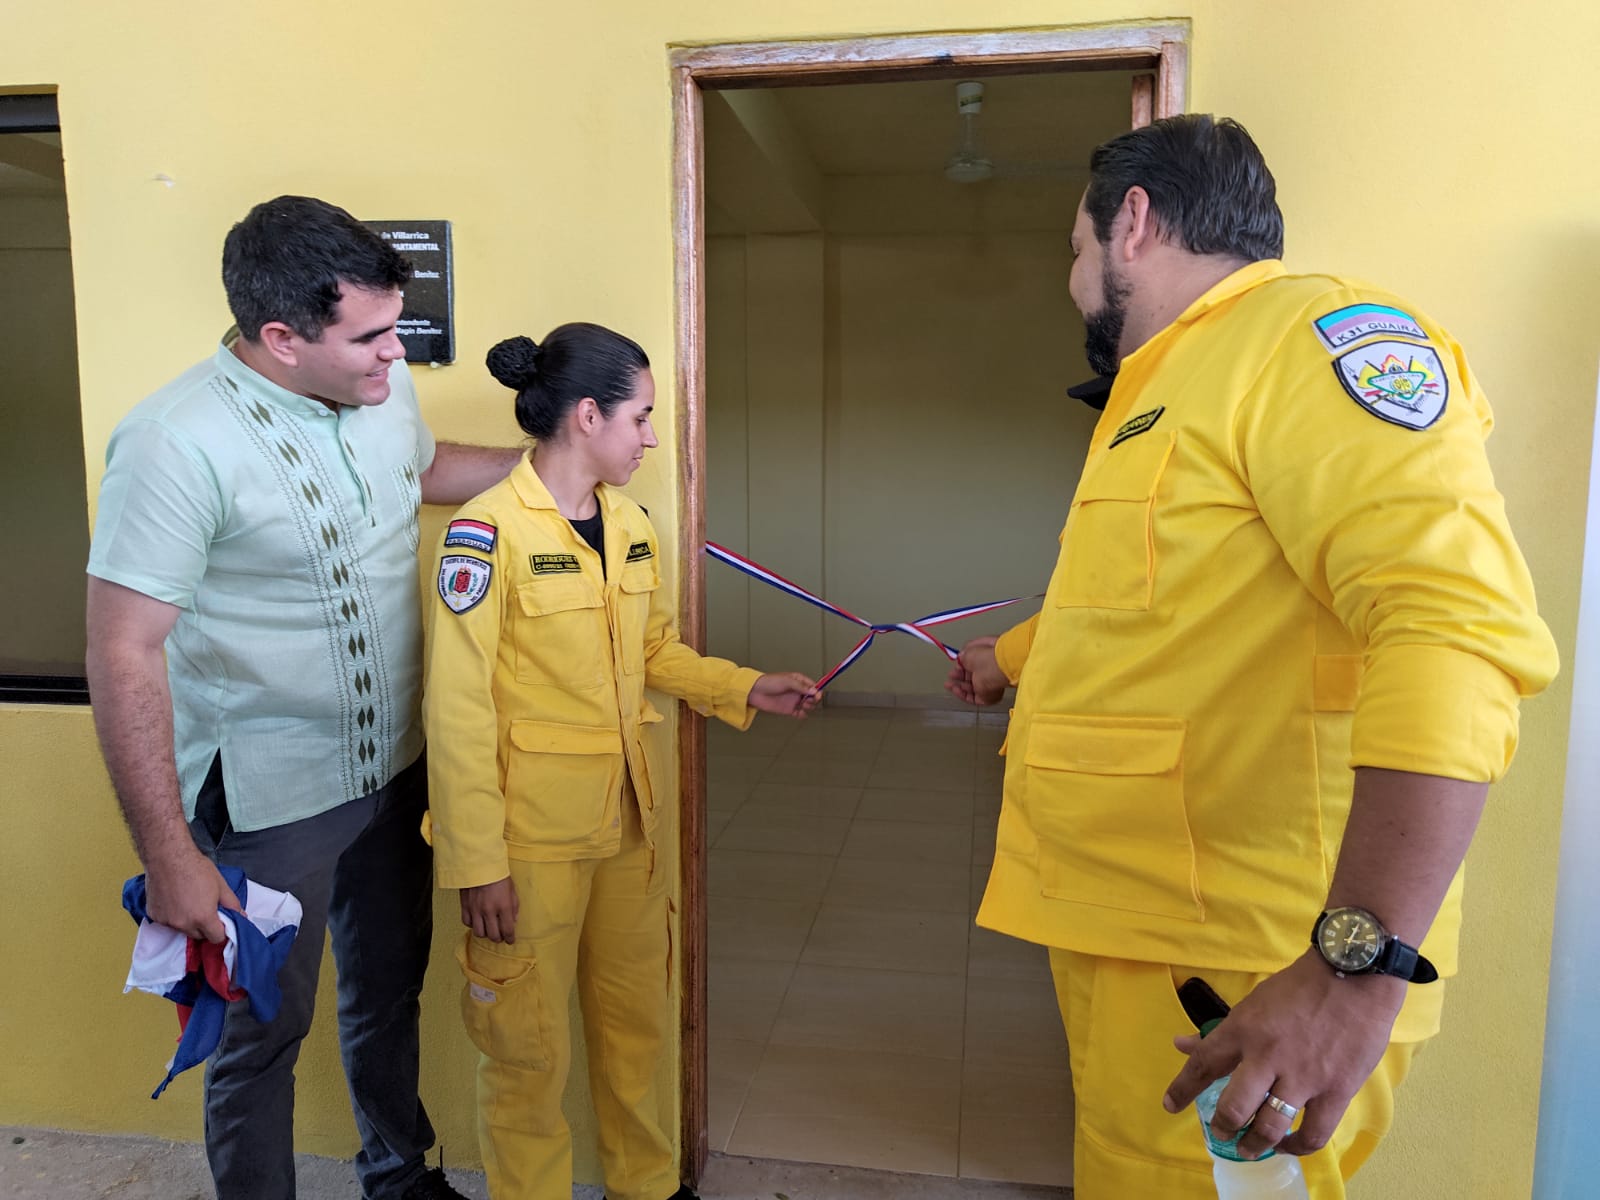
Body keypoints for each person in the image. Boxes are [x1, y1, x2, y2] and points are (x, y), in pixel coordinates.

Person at [946, 115, 1558, 1199]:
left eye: (1073, 253)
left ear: (1130, 221)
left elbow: (1451, 628)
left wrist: (1351, 971)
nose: (1074, 283)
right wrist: (1013, 658)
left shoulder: (1305, 338)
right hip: (1144, 932)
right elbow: (1161, 606)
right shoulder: (1170, 387)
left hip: (1247, 966)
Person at [85, 195, 524, 1200]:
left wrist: (551, 469)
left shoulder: (381, 397)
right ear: (281, 338)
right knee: (261, 1033)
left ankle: (398, 1177)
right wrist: (171, 858)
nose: (395, 359)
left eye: (395, 330)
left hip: (394, 771)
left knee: (388, 992)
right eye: (370, 338)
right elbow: (122, 652)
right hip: (270, 803)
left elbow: (424, 473)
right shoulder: (172, 442)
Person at [421, 323, 819, 1200]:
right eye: (640, 418)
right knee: (525, 1052)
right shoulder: (486, 535)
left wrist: (747, 687)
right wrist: (477, 862)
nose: (650, 437)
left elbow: (658, 653)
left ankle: (649, 1186)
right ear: (588, 415)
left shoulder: (632, 525)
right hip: (529, 847)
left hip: (632, 831)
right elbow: (455, 710)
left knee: (637, 1029)